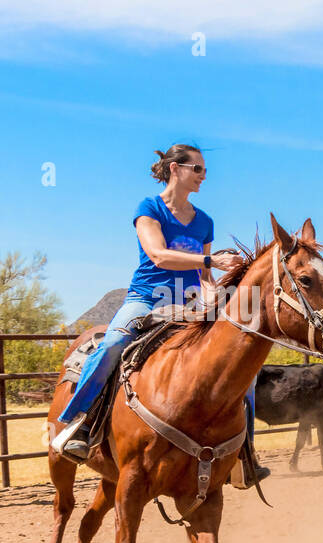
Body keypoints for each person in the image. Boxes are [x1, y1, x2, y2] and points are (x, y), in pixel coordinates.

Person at [52, 143, 270, 487]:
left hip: (191, 302)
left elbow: (204, 278)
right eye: (197, 169)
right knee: (113, 344)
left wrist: (220, 298)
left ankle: (244, 453)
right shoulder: (149, 208)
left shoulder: (205, 222)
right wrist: (210, 261)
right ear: (175, 169)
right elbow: (158, 256)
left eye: (205, 171)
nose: (203, 176)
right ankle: (79, 425)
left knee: (243, 367)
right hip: (147, 298)